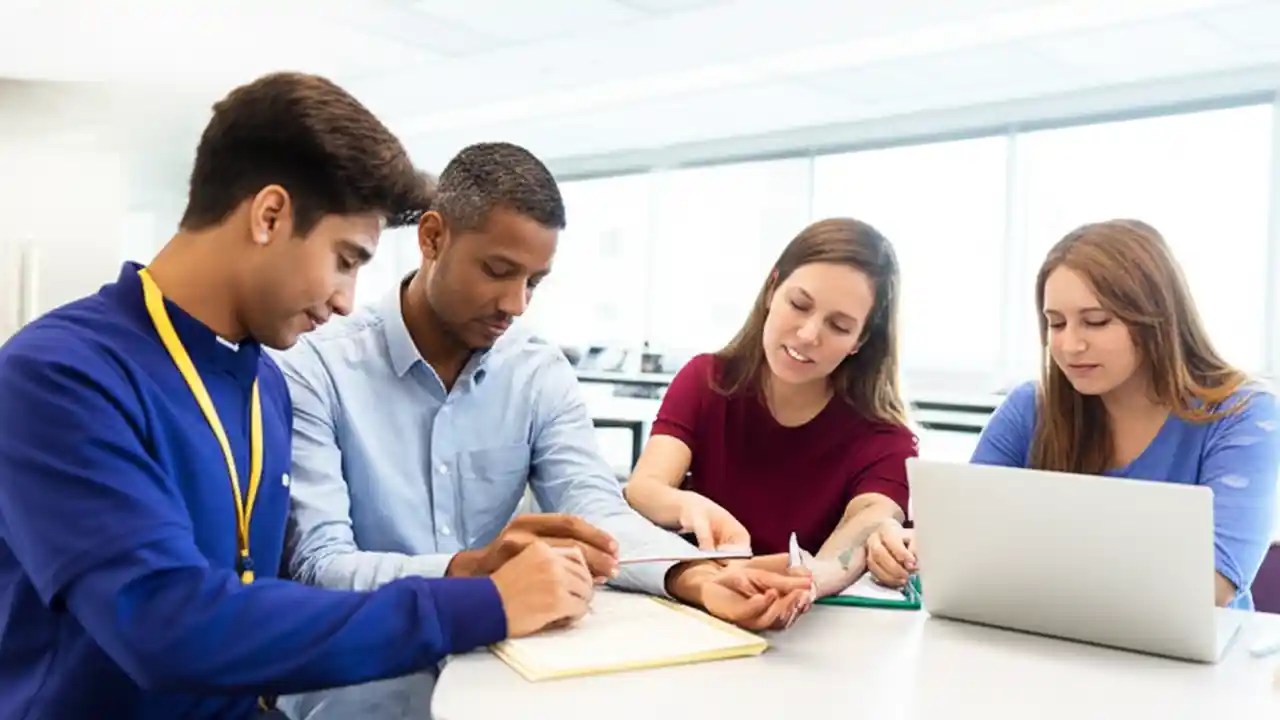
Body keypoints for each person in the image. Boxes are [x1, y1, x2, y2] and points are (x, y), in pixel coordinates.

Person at [0, 73, 595, 720]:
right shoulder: (59, 375)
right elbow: (166, 624)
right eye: (345, 258)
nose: (345, 300)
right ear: (270, 215)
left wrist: (474, 572)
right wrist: (484, 602)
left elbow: (265, 607)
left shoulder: (263, 386)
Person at [275, 142, 815, 720]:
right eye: (498, 271)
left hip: (503, 687)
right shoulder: (315, 368)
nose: (517, 303)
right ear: (432, 238)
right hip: (359, 694)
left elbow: (594, 513)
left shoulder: (536, 371)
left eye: (536, 281)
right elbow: (320, 566)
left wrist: (699, 578)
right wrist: (471, 573)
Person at [866, 219, 1280, 609]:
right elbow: (963, 542)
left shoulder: (1244, 414)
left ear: (1158, 320)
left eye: (1096, 322)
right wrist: (908, 547)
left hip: (1200, 671)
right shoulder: (1030, 407)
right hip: (1047, 646)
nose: (1069, 346)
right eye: (1056, 324)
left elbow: (1214, 584)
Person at [622, 218, 919, 598]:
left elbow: (866, 523)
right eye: (799, 304)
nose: (808, 334)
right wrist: (686, 505)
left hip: (810, 628)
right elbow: (645, 487)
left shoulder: (887, 439)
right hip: (699, 602)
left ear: (860, 341)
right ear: (771, 289)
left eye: (839, 326)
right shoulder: (706, 380)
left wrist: (807, 580)